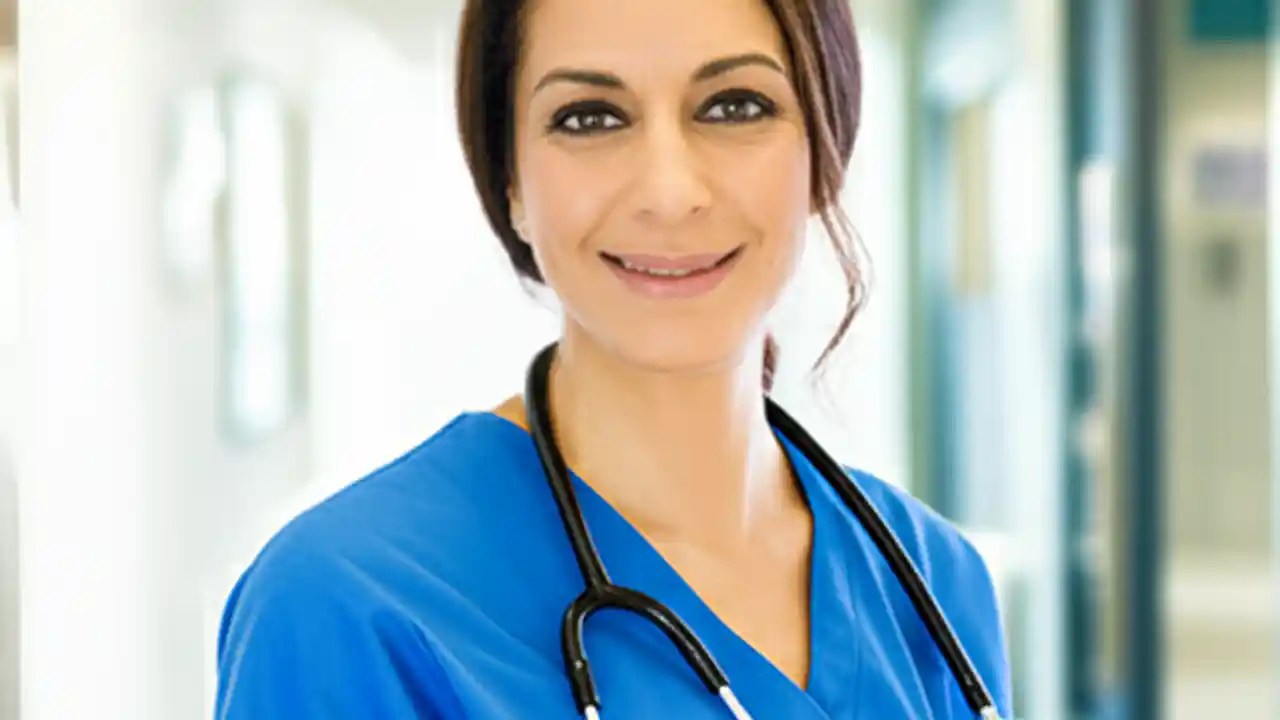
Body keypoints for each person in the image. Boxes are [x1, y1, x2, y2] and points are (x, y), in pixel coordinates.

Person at [214, 0, 1014, 717]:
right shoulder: (348, 604)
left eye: (734, 106)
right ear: (510, 181)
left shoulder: (934, 582)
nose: (669, 192)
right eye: (590, 118)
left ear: (822, 153)